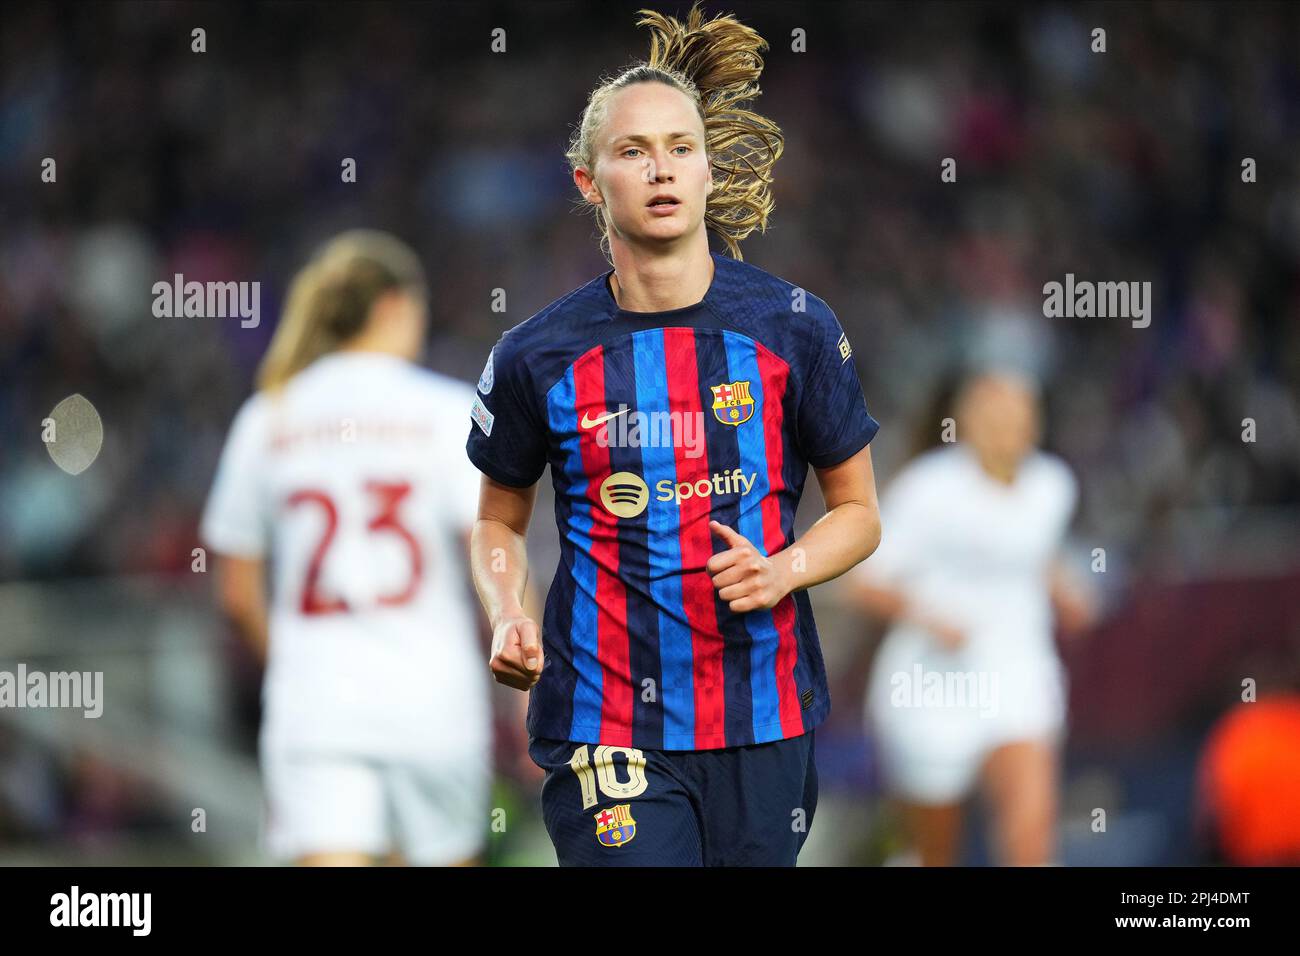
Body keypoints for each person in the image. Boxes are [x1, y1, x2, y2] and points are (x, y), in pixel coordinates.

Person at [465, 4, 882, 866]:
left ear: (706, 169)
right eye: (633, 151)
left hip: (763, 715)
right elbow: (497, 520)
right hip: (604, 722)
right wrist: (508, 609)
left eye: (680, 148)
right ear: (588, 181)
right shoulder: (535, 355)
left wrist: (785, 568)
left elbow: (860, 512)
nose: (661, 170)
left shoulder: (795, 329)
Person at [201, 230, 491, 866]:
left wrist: (299, 664)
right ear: (393, 305)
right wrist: (530, 688)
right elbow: (493, 554)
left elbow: (235, 595)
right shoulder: (445, 412)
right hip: (433, 700)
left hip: (317, 707)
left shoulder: (267, 417)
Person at [849, 370, 1094, 866]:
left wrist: (1066, 591)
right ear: (965, 423)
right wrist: (930, 617)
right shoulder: (927, 490)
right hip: (933, 685)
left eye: (1017, 418)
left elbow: (1030, 552)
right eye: (992, 418)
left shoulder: (1052, 486)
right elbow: (863, 582)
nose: (1006, 430)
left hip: (1019, 674)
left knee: (1030, 839)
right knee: (936, 852)